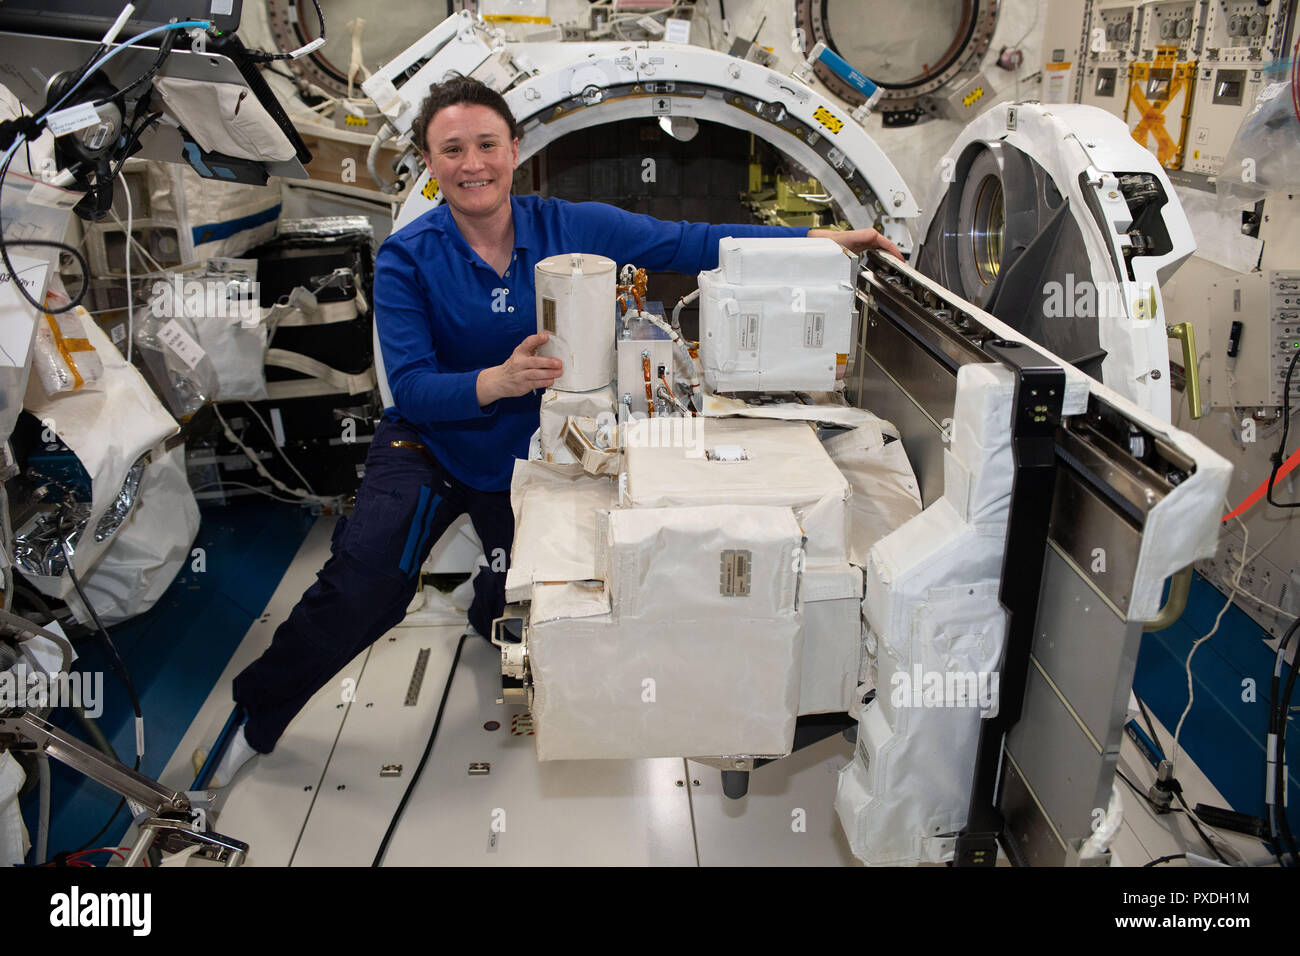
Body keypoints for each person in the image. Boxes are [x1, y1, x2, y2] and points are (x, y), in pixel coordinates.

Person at [198, 76, 902, 786]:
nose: (472, 164)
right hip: (432, 443)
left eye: (486, 145)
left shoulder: (570, 226)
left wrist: (822, 242)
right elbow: (409, 386)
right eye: (452, 150)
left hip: (533, 457)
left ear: (513, 148)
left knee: (532, 597)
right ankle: (258, 708)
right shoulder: (408, 257)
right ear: (428, 161)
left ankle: (487, 611)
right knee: (368, 584)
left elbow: (693, 242)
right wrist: (494, 382)